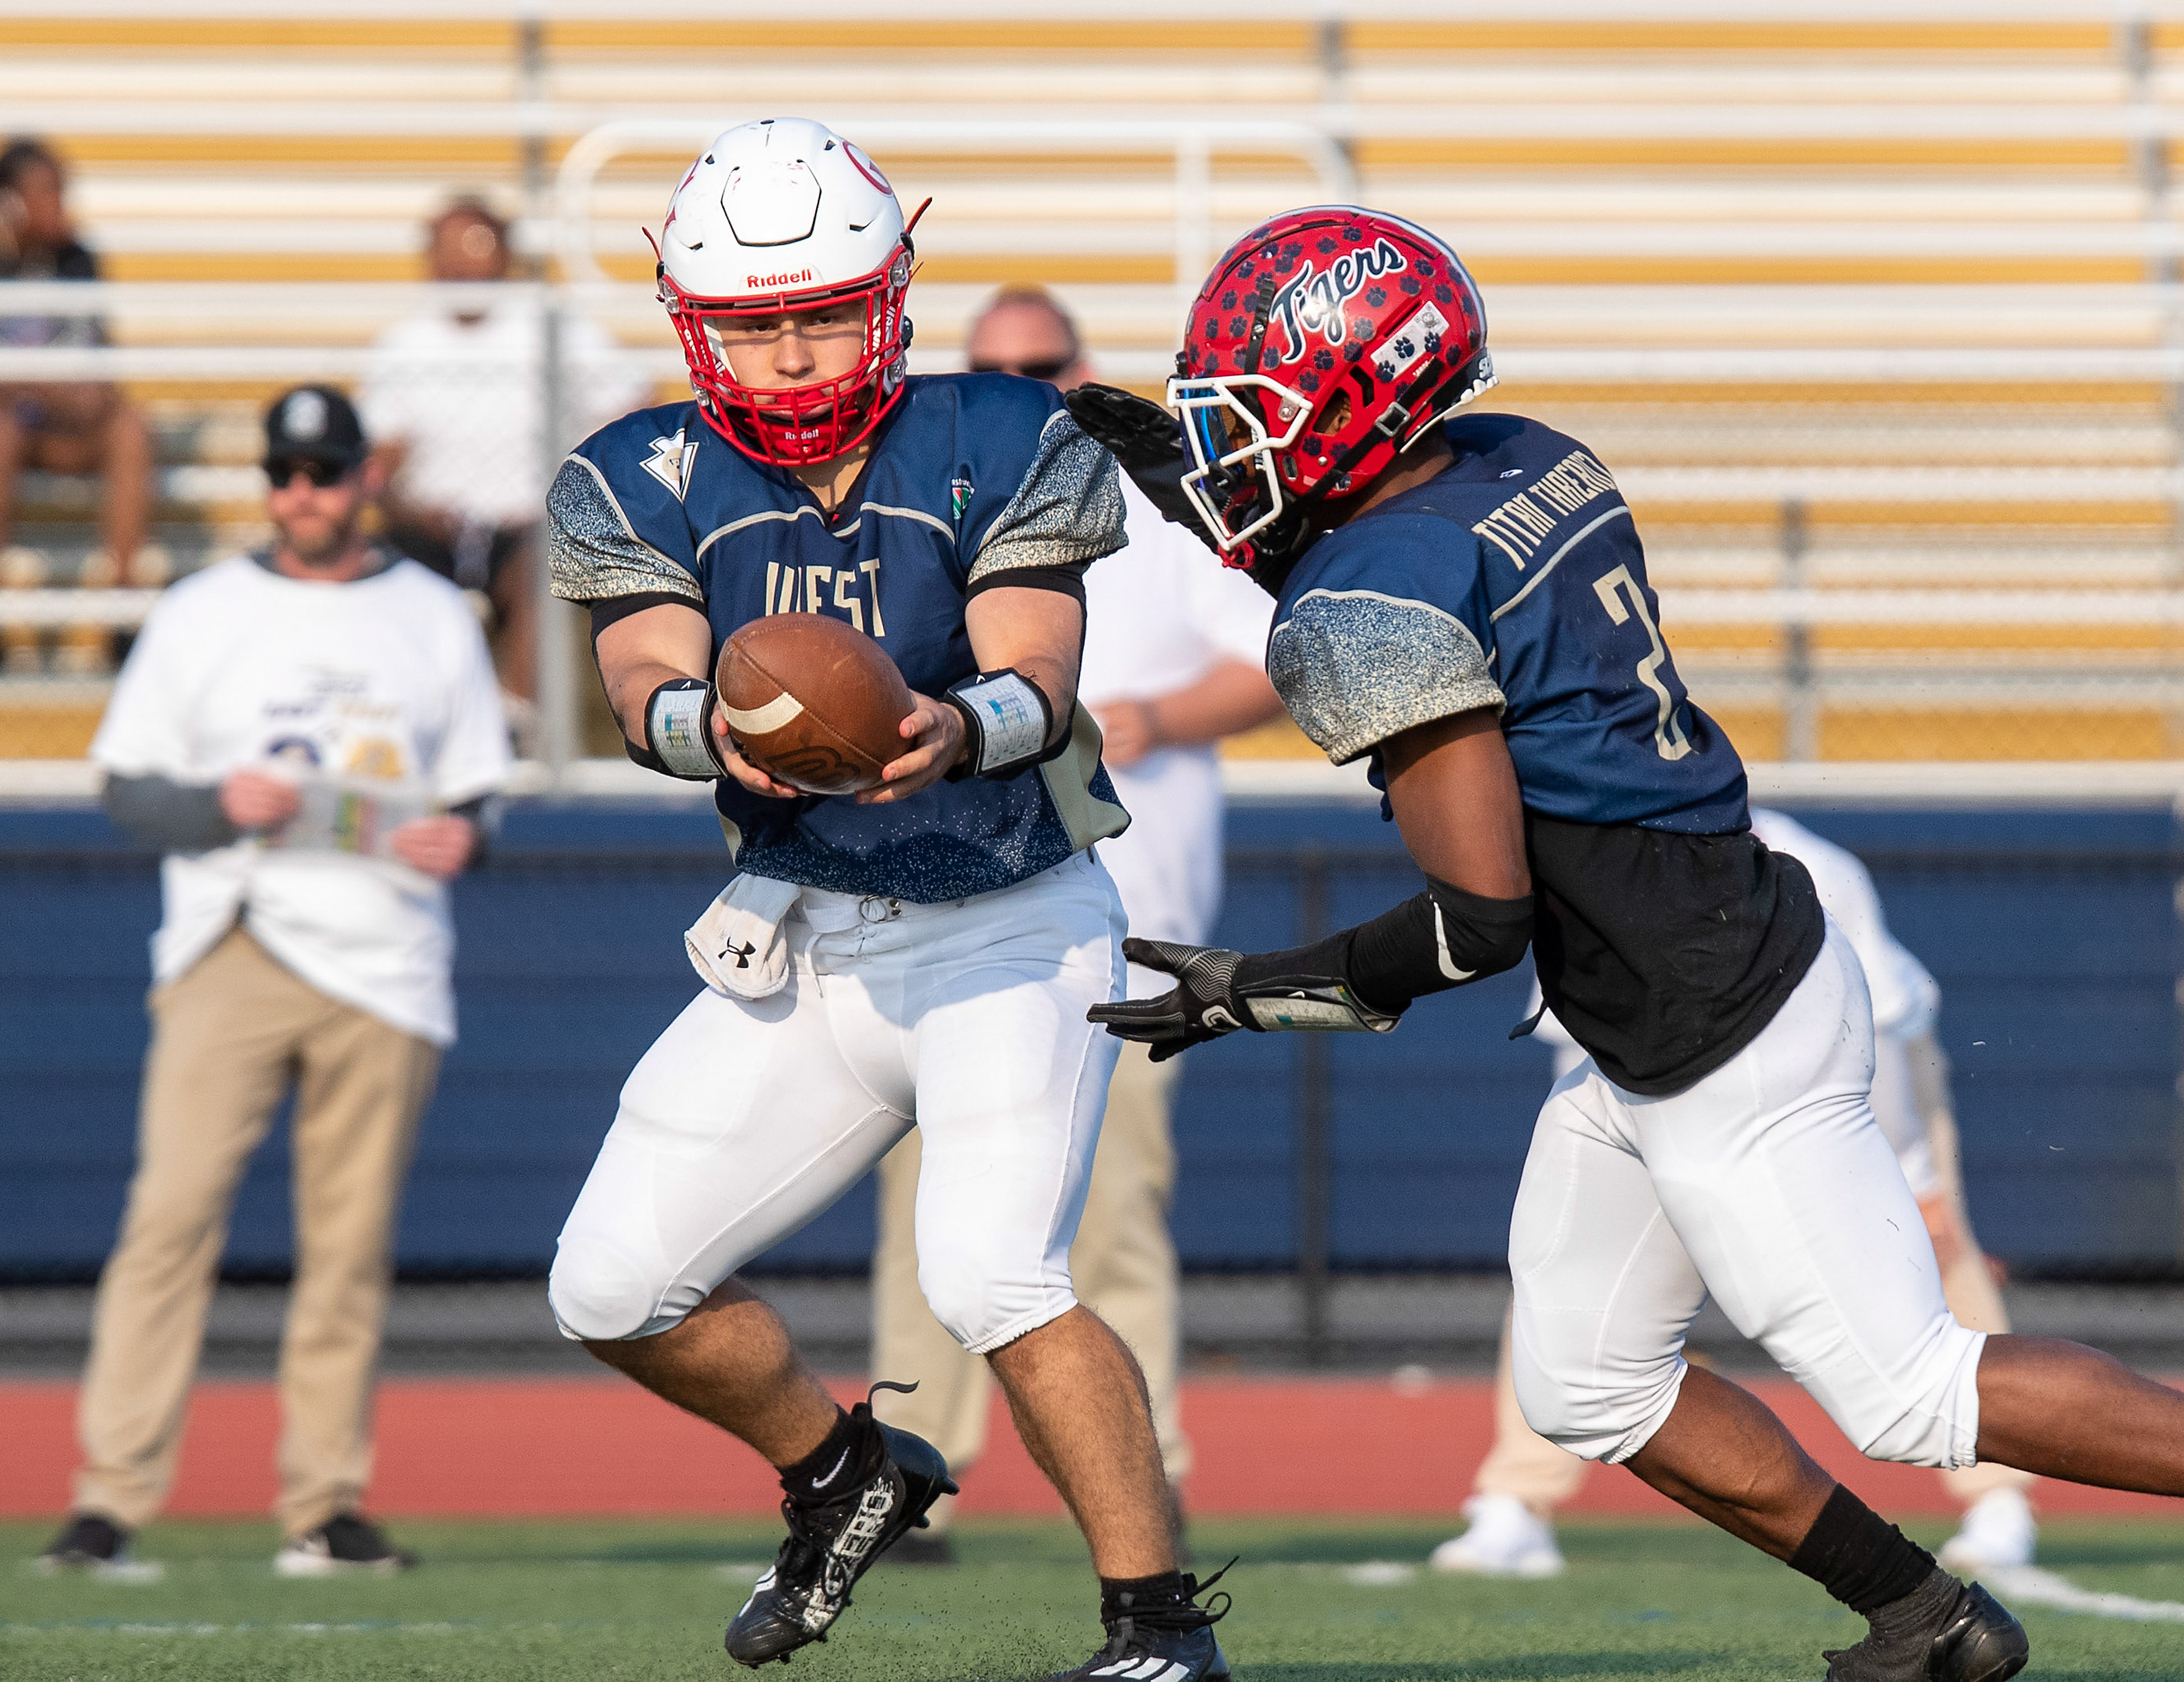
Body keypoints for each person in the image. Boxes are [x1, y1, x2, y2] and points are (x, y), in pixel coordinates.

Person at [1076, 204, 2184, 1682]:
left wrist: (1248, 996)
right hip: (1693, 972)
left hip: (1714, 1035)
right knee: (1587, 1379)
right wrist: (1200, 497)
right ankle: (1928, 1620)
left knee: (1913, 1395)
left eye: (1256, 406)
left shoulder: (1367, 592)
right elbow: (1395, 587)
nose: (1225, 443)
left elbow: (1474, 926)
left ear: (1360, 399)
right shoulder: (1518, 452)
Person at [540, 119, 1232, 1680]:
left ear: (892, 294)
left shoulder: (999, 429)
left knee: (992, 1274)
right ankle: (846, 1469)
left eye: (821, 313)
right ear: (692, 323)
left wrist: (953, 726)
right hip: (804, 928)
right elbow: (640, 667)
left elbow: (1037, 668)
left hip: (1005, 916)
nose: (788, 356)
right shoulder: (637, 470)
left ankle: (1157, 1630)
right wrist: (700, 728)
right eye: (751, 323)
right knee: (609, 1285)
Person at [38, 386, 510, 1579]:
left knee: (347, 1247)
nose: (305, 494)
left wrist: (466, 836)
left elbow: (473, 788)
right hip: (235, 935)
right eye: (287, 473)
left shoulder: (431, 615)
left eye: (327, 472)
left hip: (387, 955)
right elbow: (127, 785)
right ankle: (110, 1499)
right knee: (169, 1221)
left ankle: (323, 1504)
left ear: (362, 481)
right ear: (270, 484)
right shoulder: (203, 610)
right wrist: (213, 806)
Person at [869, 287, 1282, 1562]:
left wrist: (1149, 716)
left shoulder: (1159, 515)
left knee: (1109, 1221)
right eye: (993, 368)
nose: (1021, 383)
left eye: (1040, 364)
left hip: (1127, 918)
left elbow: (1274, 656)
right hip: (962, 907)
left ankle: (1142, 1479)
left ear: (1081, 366)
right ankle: (907, 1477)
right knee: (924, 1216)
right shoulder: (932, 505)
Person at [1434, 808, 2037, 1581]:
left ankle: (1997, 1500)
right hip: (1672, 1079)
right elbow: (1580, 1052)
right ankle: (1515, 1504)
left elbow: (1871, 1030)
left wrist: (1914, 1177)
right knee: (1564, 1266)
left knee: (1928, 1252)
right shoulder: (1584, 871)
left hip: (1848, 1067)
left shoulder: (1808, 865)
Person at [361, 195, 648, 711]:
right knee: (379, 571)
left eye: (474, 248)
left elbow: (635, 412)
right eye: (449, 251)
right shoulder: (403, 346)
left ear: (504, 255)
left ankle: (517, 720)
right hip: (429, 528)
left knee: (549, 563)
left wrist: (579, 495)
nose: (462, 265)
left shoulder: (554, 327)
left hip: (533, 524)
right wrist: (405, 509)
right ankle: (413, 719)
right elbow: (380, 463)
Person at [0, 136, 159, 674]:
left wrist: (28, 380)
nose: (62, 205)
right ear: (10, 201)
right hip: (12, 433)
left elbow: (97, 381)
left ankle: (121, 602)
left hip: (65, 427)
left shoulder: (80, 261)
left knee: (131, 428)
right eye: (47, 192)